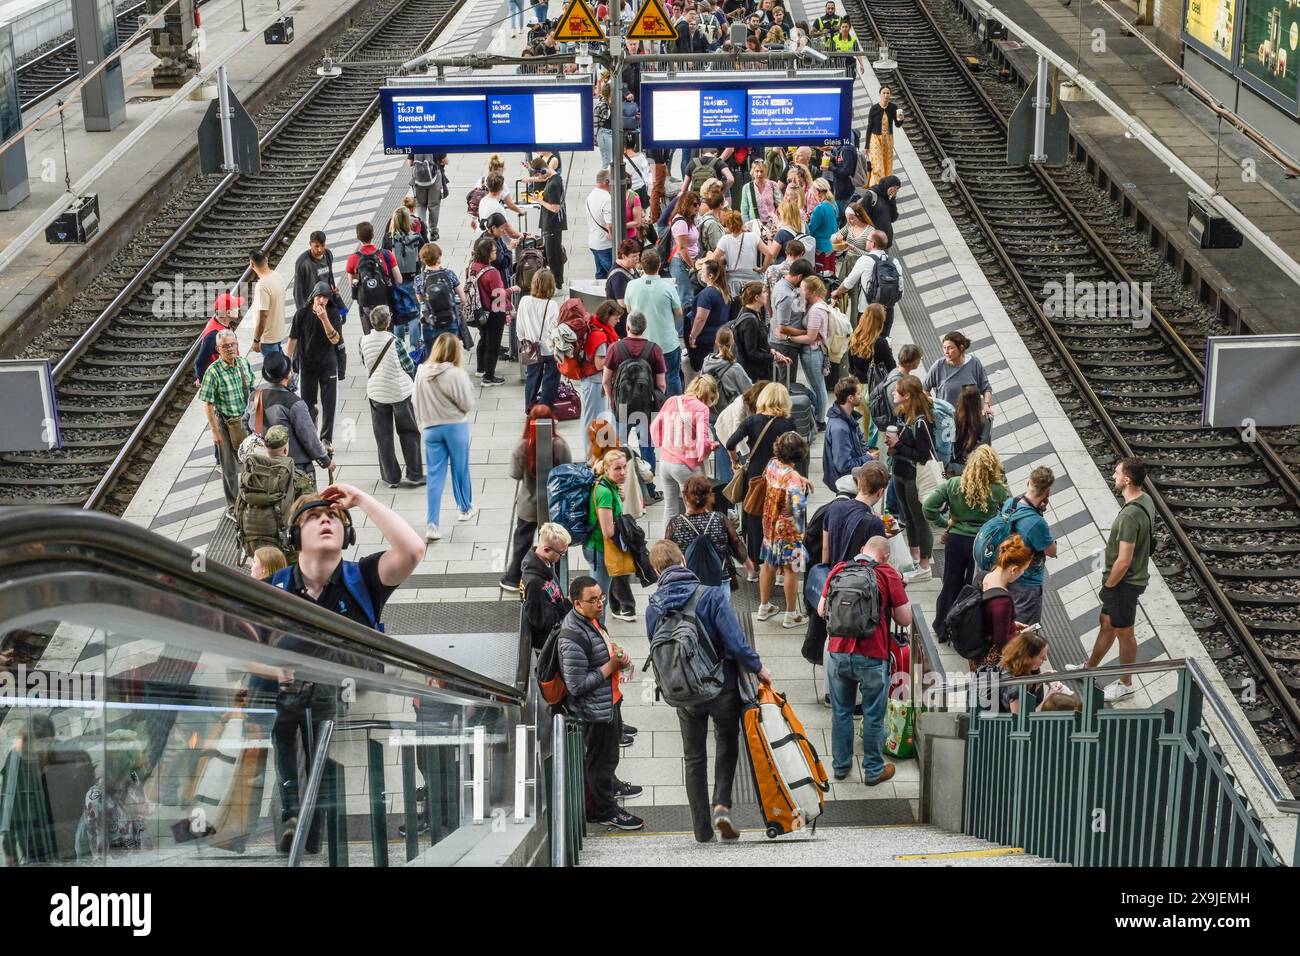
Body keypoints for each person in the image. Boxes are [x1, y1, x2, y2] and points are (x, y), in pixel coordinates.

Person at [267, 485, 425, 848]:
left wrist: (362, 501)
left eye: (335, 518)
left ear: (347, 535)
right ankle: (296, 819)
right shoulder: (274, 588)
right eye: (313, 517)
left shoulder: (364, 578)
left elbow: (414, 549)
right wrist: (271, 668)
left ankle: (315, 827)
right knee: (290, 745)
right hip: (295, 705)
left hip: (357, 712)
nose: (325, 519)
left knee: (329, 769)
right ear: (295, 536)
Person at [647, 539, 770, 842]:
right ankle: (722, 806)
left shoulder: (653, 606)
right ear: (684, 563)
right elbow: (736, 641)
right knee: (727, 741)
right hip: (720, 687)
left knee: (693, 757)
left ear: (656, 570)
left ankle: (701, 829)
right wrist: (758, 668)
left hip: (683, 691)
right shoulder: (711, 596)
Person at [819, 535, 910, 784]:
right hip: (873, 654)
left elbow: (821, 609)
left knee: (841, 712)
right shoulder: (886, 573)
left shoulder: (839, 569)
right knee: (872, 714)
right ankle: (873, 770)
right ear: (886, 556)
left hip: (838, 652)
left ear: (861, 550)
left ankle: (840, 766)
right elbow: (905, 619)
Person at [558, 576, 644, 831]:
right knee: (599, 763)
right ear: (577, 603)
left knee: (608, 759)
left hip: (608, 703)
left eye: (601, 597)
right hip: (594, 713)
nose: (600, 604)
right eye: (592, 600)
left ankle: (608, 794)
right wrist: (611, 666)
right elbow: (576, 685)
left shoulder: (590, 621)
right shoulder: (572, 637)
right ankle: (604, 811)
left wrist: (616, 653)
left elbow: (601, 650)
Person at [1077, 458, 1156, 702]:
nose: (1113, 476)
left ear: (1127, 480)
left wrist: (1109, 586)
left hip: (1124, 583)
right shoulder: (1146, 500)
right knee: (1106, 623)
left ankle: (1126, 683)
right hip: (1126, 582)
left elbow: (1124, 560)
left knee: (1125, 632)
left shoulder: (1129, 517)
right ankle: (1090, 668)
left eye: (1117, 473)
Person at [923, 444, 1009, 642]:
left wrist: (944, 523)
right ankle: (965, 627)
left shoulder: (953, 484)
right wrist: (1001, 474)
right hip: (980, 543)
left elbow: (929, 507)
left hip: (955, 540)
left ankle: (942, 627)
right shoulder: (997, 490)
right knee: (973, 585)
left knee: (950, 582)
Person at [413, 333, 477, 542]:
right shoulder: (457, 374)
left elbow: (415, 400)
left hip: (431, 428)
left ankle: (433, 524)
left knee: (435, 477)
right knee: (460, 469)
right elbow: (467, 403)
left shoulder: (421, 372)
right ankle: (465, 508)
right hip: (455, 426)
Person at [726, 381, 797, 568]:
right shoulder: (788, 423)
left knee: (753, 516)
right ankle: (777, 564)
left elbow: (730, 443)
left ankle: (754, 564)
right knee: (779, 516)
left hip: (755, 475)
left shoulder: (752, 421)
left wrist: (735, 461)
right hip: (779, 476)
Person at [504, 405, 574, 591]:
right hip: (554, 506)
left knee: (522, 541)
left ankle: (513, 577)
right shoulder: (560, 445)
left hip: (528, 504)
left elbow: (515, 474)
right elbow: (567, 472)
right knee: (555, 544)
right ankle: (557, 578)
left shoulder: (522, 446)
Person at [243, 351, 331, 492]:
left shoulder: (255, 396)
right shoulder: (295, 404)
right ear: (288, 374)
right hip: (296, 468)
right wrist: (325, 460)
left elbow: (246, 423)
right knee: (305, 508)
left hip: (264, 466)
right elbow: (309, 438)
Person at [360, 305, 424, 489]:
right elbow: (408, 366)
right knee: (409, 432)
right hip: (399, 393)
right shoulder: (395, 341)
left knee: (383, 436)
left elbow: (366, 361)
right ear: (388, 322)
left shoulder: (363, 341)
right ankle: (414, 473)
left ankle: (390, 477)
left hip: (376, 393)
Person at [757, 430, 812, 629]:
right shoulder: (793, 478)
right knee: (792, 569)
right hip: (788, 530)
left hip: (769, 524)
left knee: (768, 563)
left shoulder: (772, 463)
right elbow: (797, 507)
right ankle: (791, 614)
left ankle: (764, 607)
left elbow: (772, 480)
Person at [651, 374, 718, 535]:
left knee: (670, 508)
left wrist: (663, 444)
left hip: (666, 462)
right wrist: (711, 446)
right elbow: (703, 441)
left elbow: (654, 426)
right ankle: (691, 543)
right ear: (707, 394)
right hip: (685, 466)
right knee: (693, 508)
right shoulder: (701, 408)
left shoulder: (672, 400)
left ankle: (667, 545)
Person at [885, 374, 936, 582]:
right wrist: (893, 447)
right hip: (899, 473)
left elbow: (922, 455)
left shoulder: (922, 422)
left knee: (920, 520)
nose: (893, 394)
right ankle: (915, 557)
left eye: (897, 391)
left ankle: (925, 564)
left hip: (914, 477)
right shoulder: (903, 415)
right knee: (908, 517)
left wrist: (898, 445)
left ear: (906, 396)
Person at [200, 330, 255, 509]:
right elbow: (208, 404)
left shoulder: (243, 363)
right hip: (225, 423)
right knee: (229, 467)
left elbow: (252, 391)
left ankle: (251, 496)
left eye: (233, 344)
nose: (230, 349)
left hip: (245, 422)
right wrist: (215, 431)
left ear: (237, 344)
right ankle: (233, 505)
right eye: (225, 346)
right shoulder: (213, 372)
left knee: (251, 461)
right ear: (218, 349)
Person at [666, 475, 752, 586]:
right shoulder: (719, 518)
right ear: (710, 497)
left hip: (688, 579)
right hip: (719, 577)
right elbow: (735, 542)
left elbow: (668, 552)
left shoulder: (675, 523)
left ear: (685, 498)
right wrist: (746, 561)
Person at [998, 466, 1058, 625]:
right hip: (1026, 582)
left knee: (1003, 620)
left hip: (1004, 571)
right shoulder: (1037, 523)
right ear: (1047, 492)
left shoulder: (1011, 503)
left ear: (1028, 482)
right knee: (1024, 629)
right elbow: (1051, 551)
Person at [285, 281, 342, 446]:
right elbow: (292, 339)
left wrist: (324, 318)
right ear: (313, 297)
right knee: (307, 403)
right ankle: (311, 432)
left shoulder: (333, 313)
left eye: (325, 297)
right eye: (319, 296)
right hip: (307, 364)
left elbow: (335, 339)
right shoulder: (301, 314)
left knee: (329, 403)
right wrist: (287, 364)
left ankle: (326, 438)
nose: (322, 301)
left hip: (328, 364)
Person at [585, 448, 637, 623]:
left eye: (624, 467)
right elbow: (608, 531)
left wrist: (619, 496)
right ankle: (599, 635)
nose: (622, 472)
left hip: (598, 548)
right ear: (606, 469)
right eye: (617, 468)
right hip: (599, 549)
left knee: (597, 596)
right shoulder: (605, 492)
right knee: (597, 601)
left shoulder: (609, 485)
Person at [623, 249, 685, 396]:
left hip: (641, 343)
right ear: (659, 265)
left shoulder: (631, 285)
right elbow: (679, 312)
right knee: (672, 376)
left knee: (643, 377)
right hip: (666, 342)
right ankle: (674, 408)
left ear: (641, 266)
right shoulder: (668, 288)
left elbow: (629, 309)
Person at [972, 534, 1035, 670]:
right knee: (988, 691)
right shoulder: (1003, 601)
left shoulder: (982, 576)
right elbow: (1003, 642)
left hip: (975, 647)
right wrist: (1022, 636)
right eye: (1023, 570)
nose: (1022, 574)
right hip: (988, 660)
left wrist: (1010, 624)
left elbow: (987, 616)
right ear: (1014, 570)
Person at [84, 729, 151, 858]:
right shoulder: (96, 798)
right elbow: (100, 855)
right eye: (139, 753)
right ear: (126, 761)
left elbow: (145, 825)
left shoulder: (133, 780)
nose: (144, 758)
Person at [777, 273, 831, 425]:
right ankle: (819, 415)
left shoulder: (816, 311)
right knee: (815, 385)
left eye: (803, 289)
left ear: (812, 292)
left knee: (818, 386)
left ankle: (821, 419)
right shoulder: (815, 305)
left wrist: (788, 338)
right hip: (813, 352)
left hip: (813, 352)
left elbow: (810, 337)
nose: (799, 291)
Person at [833, 229, 903, 339]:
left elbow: (848, 283)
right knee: (883, 342)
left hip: (867, 310)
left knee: (865, 343)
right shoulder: (894, 262)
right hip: (888, 310)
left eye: (867, 240)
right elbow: (900, 289)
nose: (866, 242)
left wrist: (837, 292)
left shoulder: (865, 260)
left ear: (873, 244)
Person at [576, 300, 620, 460]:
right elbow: (599, 363)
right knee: (591, 421)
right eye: (616, 318)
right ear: (607, 316)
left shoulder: (599, 329)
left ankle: (595, 454)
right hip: (594, 382)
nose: (618, 321)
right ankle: (590, 457)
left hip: (594, 382)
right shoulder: (600, 336)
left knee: (595, 419)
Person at [924, 330, 995, 426]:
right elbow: (925, 389)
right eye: (944, 348)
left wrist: (986, 404)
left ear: (961, 348)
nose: (946, 352)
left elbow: (986, 388)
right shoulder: (939, 366)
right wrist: (932, 407)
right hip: (946, 421)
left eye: (950, 348)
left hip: (970, 421)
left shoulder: (974, 363)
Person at [517, 268, 561, 412]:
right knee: (551, 379)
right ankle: (544, 408)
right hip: (548, 349)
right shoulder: (552, 305)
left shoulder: (524, 301)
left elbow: (520, 325)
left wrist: (523, 339)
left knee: (532, 377)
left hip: (530, 346)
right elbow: (553, 329)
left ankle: (529, 407)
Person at [521, 523, 573, 647]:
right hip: (548, 644)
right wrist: (568, 603)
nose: (562, 557)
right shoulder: (534, 582)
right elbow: (542, 621)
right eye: (561, 553)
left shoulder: (545, 563)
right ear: (546, 550)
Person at [346, 222, 402, 333]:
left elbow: (352, 285)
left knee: (369, 334)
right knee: (388, 334)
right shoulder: (386, 254)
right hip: (384, 301)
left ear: (358, 237)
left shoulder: (353, 258)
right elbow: (399, 279)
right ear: (373, 235)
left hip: (365, 304)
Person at [822, 375, 874, 492]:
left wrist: (867, 453)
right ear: (850, 398)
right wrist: (868, 458)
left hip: (854, 477)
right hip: (846, 483)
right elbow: (844, 465)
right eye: (859, 393)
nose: (861, 396)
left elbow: (860, 440)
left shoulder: (848, 416)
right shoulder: (839, 428)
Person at [768, 258, 813, 374]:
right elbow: (782, 327)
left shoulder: (788, 286)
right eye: (805, 280)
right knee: (785, 383)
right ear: (799, 277)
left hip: (787, 344)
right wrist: (807, 333)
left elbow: (800, 309)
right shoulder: (786, 295)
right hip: (784, 346)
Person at [687, 259, 731, 373]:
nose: (700, 274)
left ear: (710, 275)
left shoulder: (707, 294)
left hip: (705, 338)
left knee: (705, 371)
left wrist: (692, 335)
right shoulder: (723, 291)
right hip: (718, 336)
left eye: (702, 271)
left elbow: (700, 318)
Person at [831, 203, 872, 325]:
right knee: (840, 294)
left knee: (855, 299)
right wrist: (836, 238)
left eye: (851, 218)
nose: (849, 221)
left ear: (859, 216)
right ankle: (840, 323)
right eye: (847, 218)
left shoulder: (870, 231)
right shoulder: (849, 226)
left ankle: (854, 327)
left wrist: (852, 247)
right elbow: (836, 237)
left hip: (860, 265)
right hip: (847, 263)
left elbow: (870, 255)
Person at [666, 191, 702, 330]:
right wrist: (692, 265)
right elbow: (682, 248)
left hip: (686, 262)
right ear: (685, 205)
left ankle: (684, 329)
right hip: (681, 264)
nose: (697, 207)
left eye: (699, 203)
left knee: (688, 297)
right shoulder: (681, 221)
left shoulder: (688, 219)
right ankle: (681, 331)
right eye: (694, 204)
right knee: (684, 298)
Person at [193, 291, 245, 387]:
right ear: (228, 312)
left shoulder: (221, 322)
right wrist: (202, 380)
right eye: (236, 307)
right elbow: (200, 361)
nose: (238, 309)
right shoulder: (214, 334)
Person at [997, 632, 1050, 715]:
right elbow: (1022, 721)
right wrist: (1049, 698)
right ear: (1027, 658)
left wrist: (1037, 683)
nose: (1046, 659)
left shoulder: (1008, 664)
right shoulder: (1015, 688)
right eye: (1041, 657)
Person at [248, 250, 288, 357]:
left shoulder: (262, 286)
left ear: (252, 264)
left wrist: (256, 339)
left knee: (275, 371)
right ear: (266, 259)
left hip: (268, 339)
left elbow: (263, 315)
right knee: (282, 366)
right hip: (278, 332)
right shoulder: (277, 275)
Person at [713, 212, 764, 295]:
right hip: (753, 281)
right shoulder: (753, 236)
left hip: (734, 283)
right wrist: (763, 268)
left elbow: (713, 260)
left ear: (728, 226)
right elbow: (770, 254)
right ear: (741, 223)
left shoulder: (725, 239)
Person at [534, 159, 567, 287]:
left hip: (552, 225)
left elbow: (555, 207)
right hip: (551, 224)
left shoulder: (553, 184)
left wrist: (540, 201)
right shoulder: (553, 179)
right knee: (553, 254)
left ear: (543, 170)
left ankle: (556, 283)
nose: (539, 178)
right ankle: (557, 282)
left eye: (538, 175)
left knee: (553, 256)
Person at [949, 384, 992, 474]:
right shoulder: (983, 421)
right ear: (977, 401)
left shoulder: (954, 418)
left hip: (953, 467)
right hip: (973, 469)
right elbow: (983, 445)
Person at [865, 87, 903, 188]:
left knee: (887, 164)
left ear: (890, 95)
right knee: (877, 165)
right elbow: (869, 127)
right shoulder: (874, 108)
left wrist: (901, 120)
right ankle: (876, 187)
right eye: (884, 93)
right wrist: (866, 146)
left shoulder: (893, 107)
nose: (886, 95)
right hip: (875, 138)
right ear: (880, 94)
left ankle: (886, 186)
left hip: (888, 139)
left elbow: (898, 124)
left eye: (888, 93)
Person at [293, 232, 339, 311]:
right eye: (316, 246)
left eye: (323, 245)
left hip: (326, 302)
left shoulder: (328, 254)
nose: (320, 249)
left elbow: (329, 275)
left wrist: (332, 287)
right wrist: (302, 313)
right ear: (310, 244)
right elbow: (298, 290)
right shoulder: (303, 262)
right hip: (312, 306)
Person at [407, 153, 447, 240]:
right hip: (435, 180)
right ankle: (433, 232)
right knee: (434, 206)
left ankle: (422, 230)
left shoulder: (414, 144)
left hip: (419, 181)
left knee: (420, 205)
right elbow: (445, 161)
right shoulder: (436, 143)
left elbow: (410, 163)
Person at [585, 169, 616, 278]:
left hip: (594, 242)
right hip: (605, 244)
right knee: (614, 274)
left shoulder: (590, 196)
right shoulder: (607, 199)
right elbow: (610, 225)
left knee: (600, 274)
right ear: (607, 182)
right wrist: (614, 239)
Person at [740, 158, 782, 230]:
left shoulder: (773, 185)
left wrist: (777, 220)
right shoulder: (747, 187)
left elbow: (780, 205)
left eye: (762, 171)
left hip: (772, 225)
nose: (759, 174)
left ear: (766, 172)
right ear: (753, 172)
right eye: (757, 171)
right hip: (755, 226)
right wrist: (748, 227)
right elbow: (744, 211)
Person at [807, 179, 839, 272]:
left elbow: (810, 229)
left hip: (820, 249)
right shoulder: (833, 204)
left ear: (817, 191)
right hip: (831, 247)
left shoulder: (820, 208)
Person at [859, 175, 901, 244]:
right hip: (874, 240)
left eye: (897, 188)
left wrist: (892, 200)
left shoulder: (889, 197)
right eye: (894, 187)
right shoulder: (871, 195)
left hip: (887, 238)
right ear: (888, 184)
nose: (895, 191)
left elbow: (893, 218)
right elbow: (864, 217)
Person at [605, 239, 640, 311]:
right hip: (622, 319)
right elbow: (623, 303)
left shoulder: (630, 266)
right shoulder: (618, 276)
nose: (637, 258)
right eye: (634, 256)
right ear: (624, 256)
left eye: (638, 255)